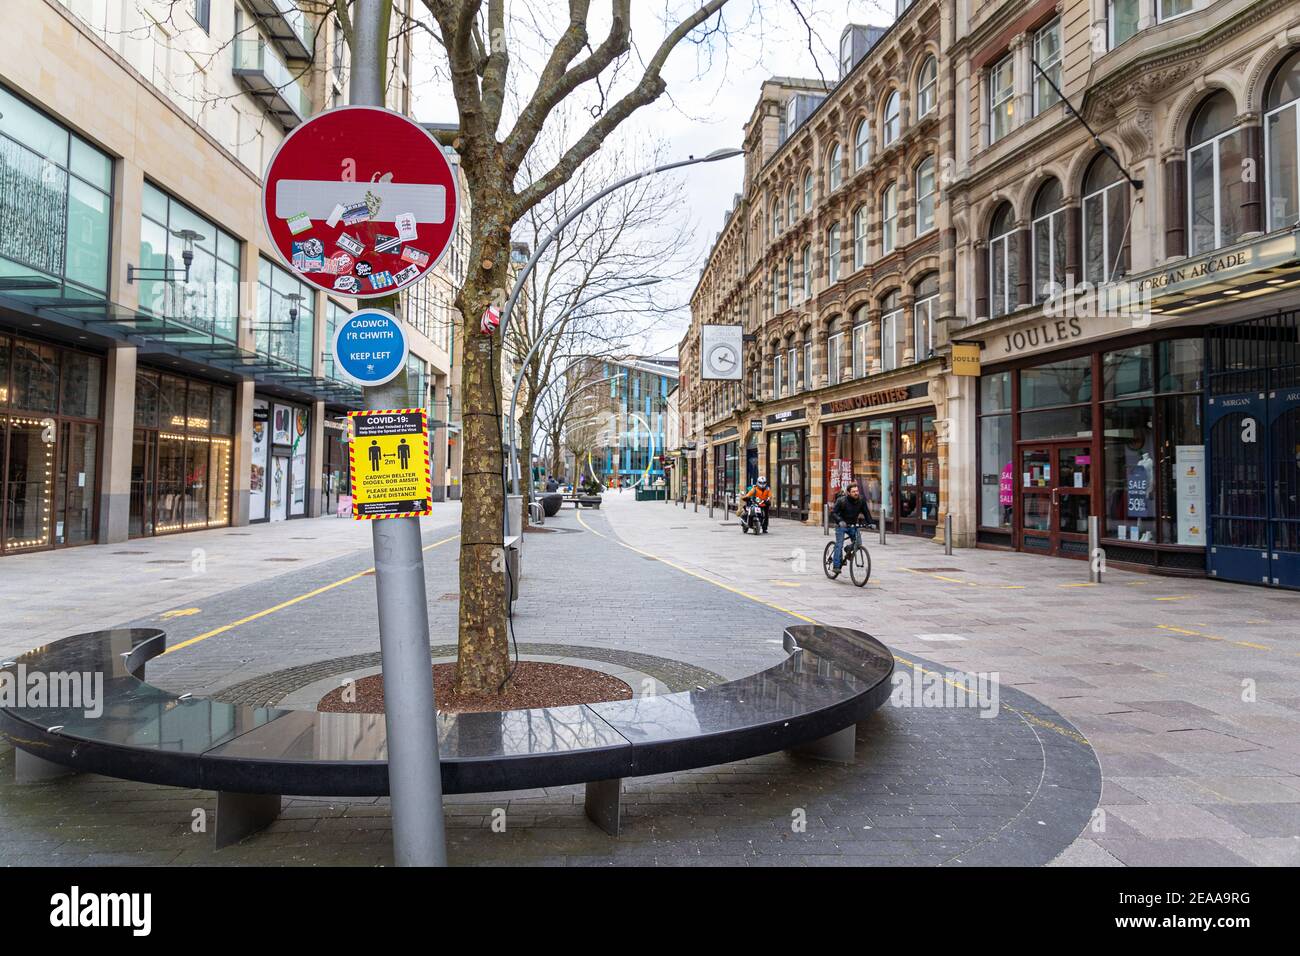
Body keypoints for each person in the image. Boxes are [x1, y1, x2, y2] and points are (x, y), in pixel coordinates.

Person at [831, 482, 875, 571]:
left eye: (857, 491)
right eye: (853, 491)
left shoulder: (861, 500)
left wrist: (871, 523)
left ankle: (848, 549)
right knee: (839, 544)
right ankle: (836, 566)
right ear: (848, 493)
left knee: (858, 543)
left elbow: (866, 513)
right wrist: (840, 521)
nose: (856, 493)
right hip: (841, 525)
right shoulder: (841, 501)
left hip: (853, 525)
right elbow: (833, 513)